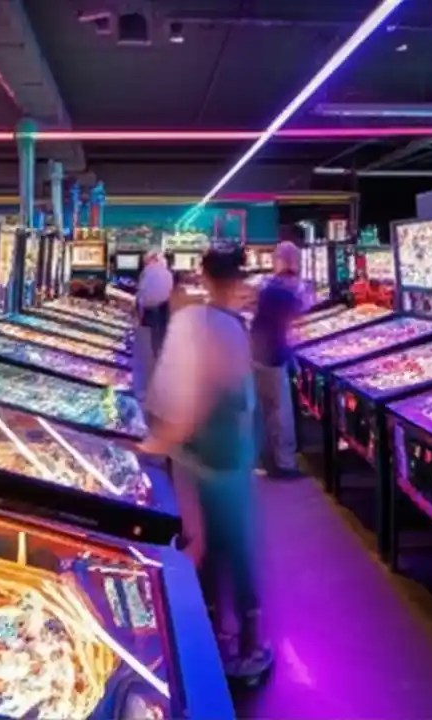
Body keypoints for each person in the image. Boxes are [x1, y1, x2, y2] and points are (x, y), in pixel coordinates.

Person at [140, 246, 272, 685]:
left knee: (220, 542)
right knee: (230, 542)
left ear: (203, 275)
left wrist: (167, 438)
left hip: (208, 450)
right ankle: (242, 640)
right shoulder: (227, 325)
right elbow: (234, 393)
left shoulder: (199, 322)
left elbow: (192, 393)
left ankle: (226, 636)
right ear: (234, 280)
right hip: (228, 450)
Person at [249, 241, 304, 479]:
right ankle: (284, 464)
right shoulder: (287, 290)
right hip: (274, 355)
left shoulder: (268, 285)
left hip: (258, 354)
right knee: (281, 411)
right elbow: (297, 320)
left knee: (263, 410)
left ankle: (263, 460)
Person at [133, 251, 173, 400]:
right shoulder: (167, 273)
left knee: (149, 340)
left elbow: (141, 294)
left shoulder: (147, 272)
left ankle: (154, 368)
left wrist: (138, 313)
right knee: (160, 338)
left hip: (151, 310)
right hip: (164, 309)